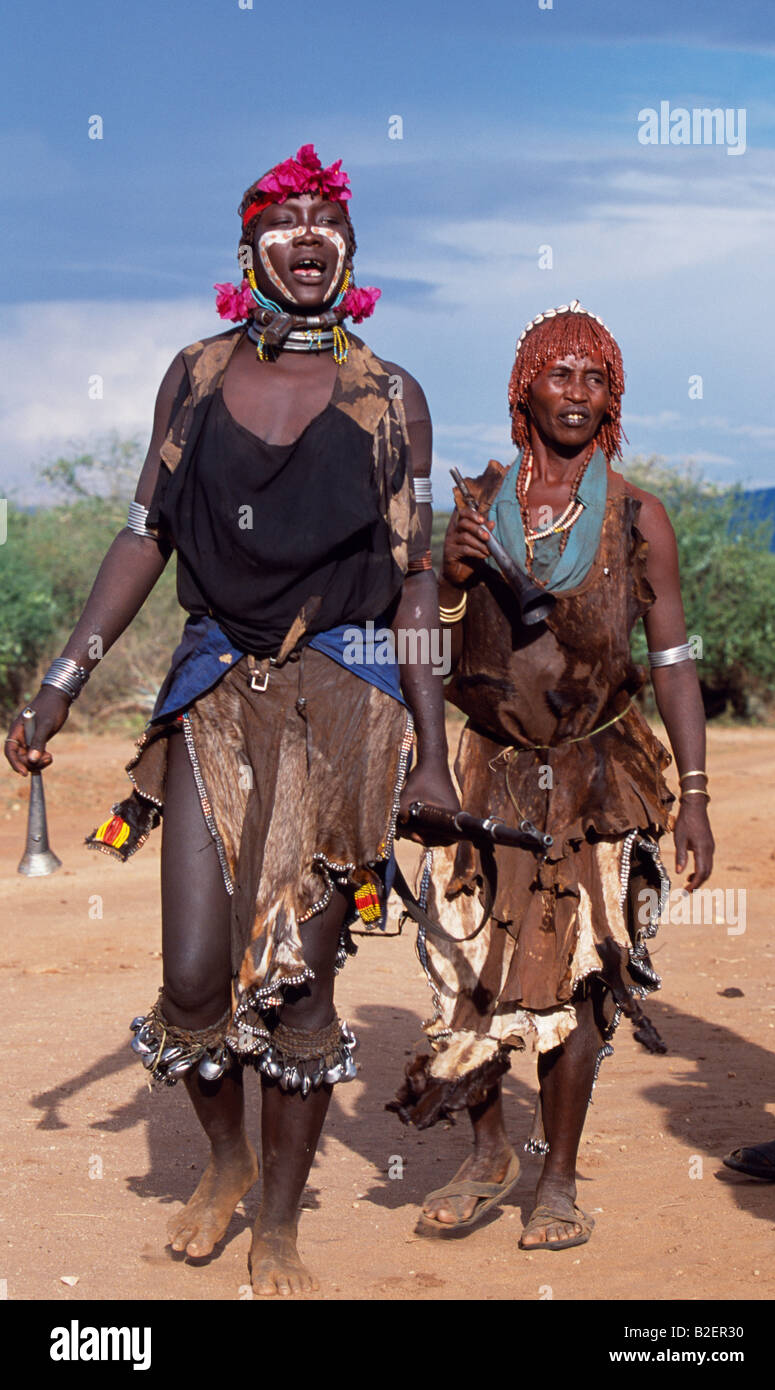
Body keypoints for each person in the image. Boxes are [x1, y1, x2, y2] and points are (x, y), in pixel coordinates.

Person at [4, 143, 457, 1296]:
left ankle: (282, 1225)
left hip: (342, 708)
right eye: (284, 220)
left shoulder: (389, 395)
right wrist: (64, 677)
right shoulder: (195, 377)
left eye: (327, 221)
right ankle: (225, 1162)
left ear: (349, 253)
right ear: (248, 247)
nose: (308, 236)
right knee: (199, 977)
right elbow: (144, 533)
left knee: (301, 983)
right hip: (211, 695)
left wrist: (432, 752)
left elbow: (412, 580)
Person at [389, 299, 715, 1250]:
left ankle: (557, 1178)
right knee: (467, 970)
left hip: (596, 771)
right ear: (524, 386)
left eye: (596, 378)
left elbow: (674, 662)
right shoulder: (476, 511)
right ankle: (487, 1152)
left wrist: (693, 793)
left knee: (576, 979)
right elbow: (425, 657)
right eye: (559, 374)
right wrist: (450, 581)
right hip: (486, 774)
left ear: (615, 397)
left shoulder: (637, 516)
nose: (577, 393)